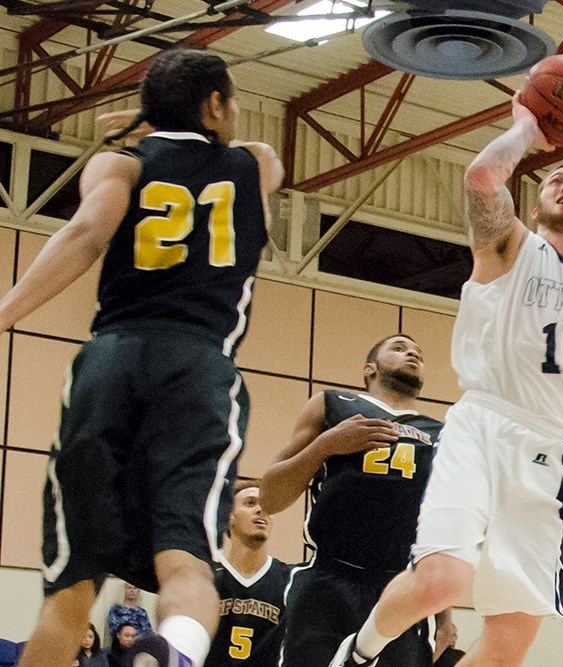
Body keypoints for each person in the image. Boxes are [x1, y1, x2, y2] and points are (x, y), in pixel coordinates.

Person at [332, 60, 563, 667]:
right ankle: (358, 655)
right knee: (443, 580)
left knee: (510, 641)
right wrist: (528, 126)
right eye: (555, 180)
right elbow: (481, 177)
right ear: (533, 207)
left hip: (552, 449)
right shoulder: (507, 247)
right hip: (481, 424)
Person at [8, 47, 282, 667]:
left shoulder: (119, 165)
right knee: (185, 564)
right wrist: (163, 114)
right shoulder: (254, 165)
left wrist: (4, 314)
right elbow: (262, 158)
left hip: (111, 360)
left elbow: (84, 235)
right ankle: (175, 654)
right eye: (230, 100)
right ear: (215, 104)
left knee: (70, 589)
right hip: (198, 366)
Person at [259, 335, 448, 667]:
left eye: (418, 351)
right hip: (329, 579)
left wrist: (443, 611)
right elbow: (270, 497)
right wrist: (325, 445)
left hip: (401, 585)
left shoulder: (441, 432)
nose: (412, 353)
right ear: (369, 368)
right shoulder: (333, 405)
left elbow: (440, 529)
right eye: (399, 348)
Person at [206, 479, 291, 667]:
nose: (261, 510)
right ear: (230, 516)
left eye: (267, 505)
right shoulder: (206, 577)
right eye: (250, 503)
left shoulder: (291, 579)